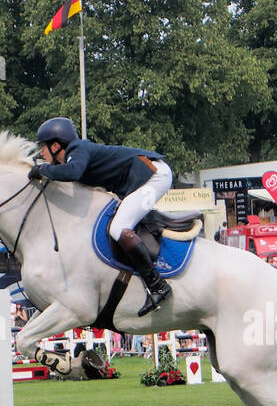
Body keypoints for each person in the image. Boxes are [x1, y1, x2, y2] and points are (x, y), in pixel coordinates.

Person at [28, 117, 173, 314]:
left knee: (119, 228)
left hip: (155, 175)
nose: (41, 153)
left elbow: (73, 172)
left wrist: (42, 169)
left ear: (55, 146)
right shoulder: (76, 155)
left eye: (43, 147)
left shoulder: (78, 150)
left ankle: (157, 285)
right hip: (146, 177)